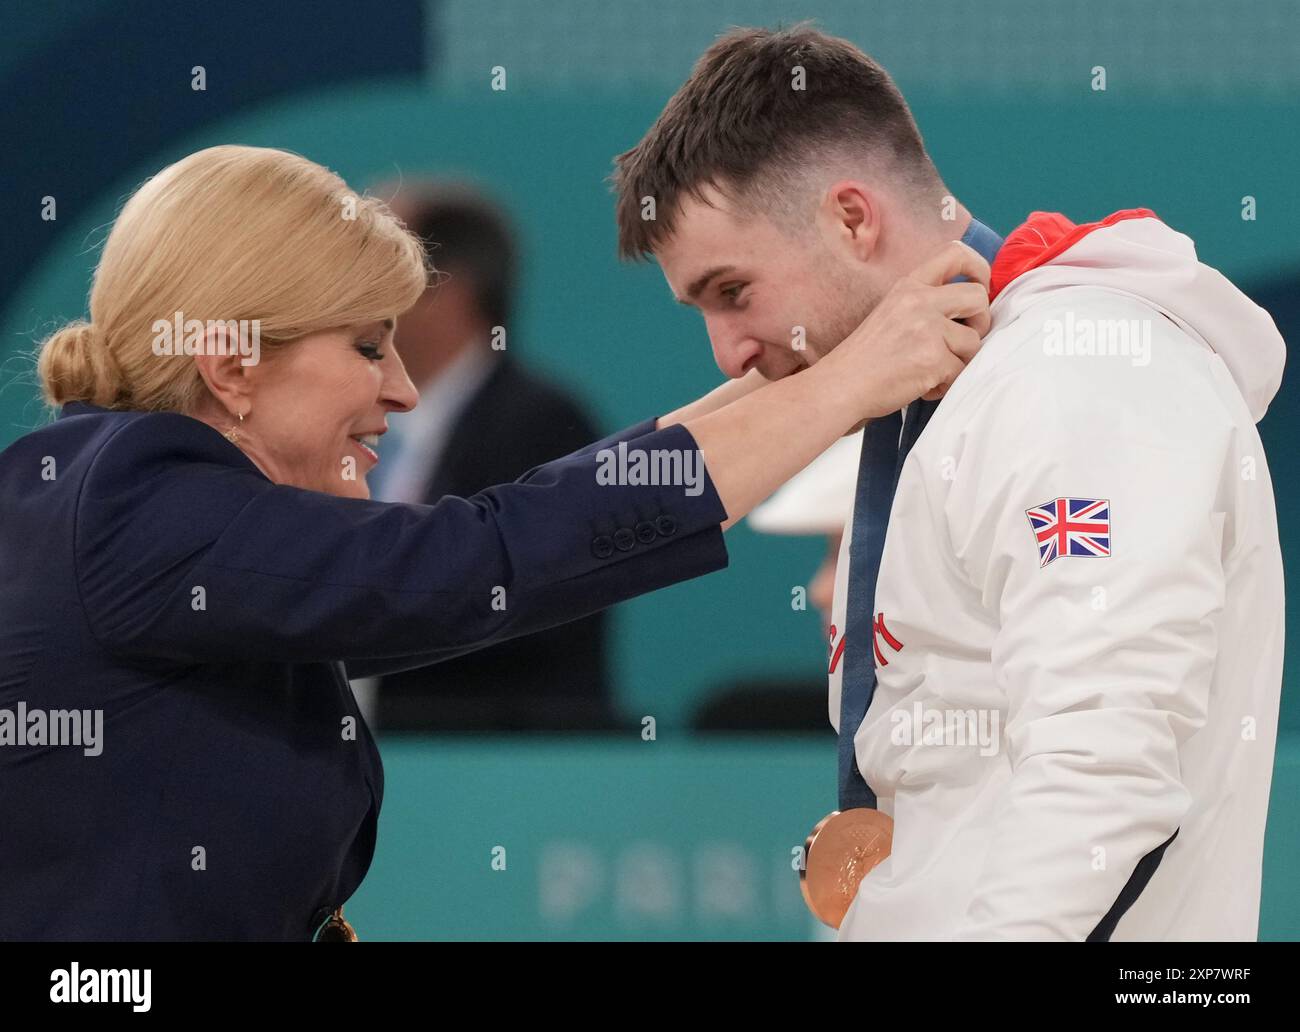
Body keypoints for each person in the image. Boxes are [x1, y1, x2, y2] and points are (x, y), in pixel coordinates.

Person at [0, 143, 988, 940]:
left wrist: (825, 364)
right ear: (231, 366)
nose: (401, 389)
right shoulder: (135, 503)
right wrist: (846, 384)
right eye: (362, 346)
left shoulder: (105, 500)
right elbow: (474, 563)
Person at [611, 26, 1286, 941]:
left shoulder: (1076, 376)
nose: (728, 351)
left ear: (852, 219)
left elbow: (1105, 758)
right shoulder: (948, 401)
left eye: (733, 292)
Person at [368, 183, 615, 732]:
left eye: (379, 274)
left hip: (504, 764)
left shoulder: (544, 425)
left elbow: (527, 612)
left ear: (450, 291)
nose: (356, 296)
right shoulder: (348, 419)